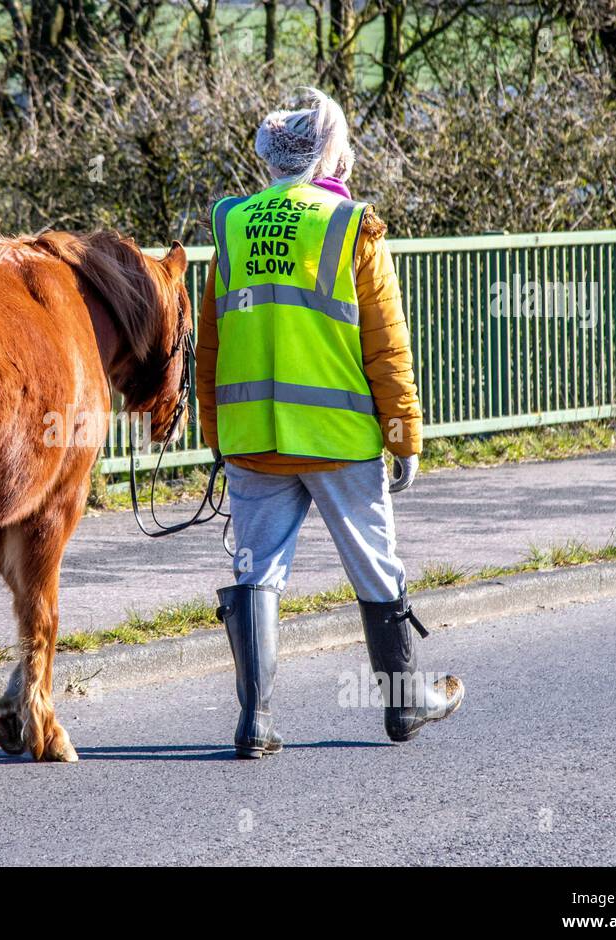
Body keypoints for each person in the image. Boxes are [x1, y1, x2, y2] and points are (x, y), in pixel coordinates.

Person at [197, 88, 464, 759]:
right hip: (338, 438)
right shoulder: (351, 226)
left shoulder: (230, 226)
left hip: (254, 438)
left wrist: (214, 435)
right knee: (376, 568)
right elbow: (386, 345)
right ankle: (404, 707)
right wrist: (404, 435)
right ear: (327, 148)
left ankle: (254, 721)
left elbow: (211, 345)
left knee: (256, 571)